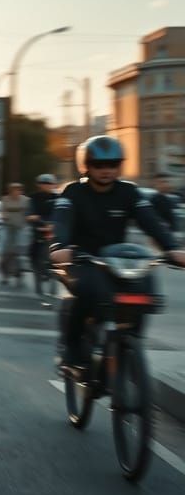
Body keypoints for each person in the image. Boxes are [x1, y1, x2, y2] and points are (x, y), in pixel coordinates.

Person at [49, 136, 185, 377]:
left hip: (118, 261)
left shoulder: (129, 192)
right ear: (86, 166)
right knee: (86, 291)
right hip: (82, 258)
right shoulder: (73, 192)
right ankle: (71, 350)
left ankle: (131, 340)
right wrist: (60, 245)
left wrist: (172, 248)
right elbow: (62, 221)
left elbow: (151, 221)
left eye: (112, 164)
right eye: (99, 165)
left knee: (144, 287)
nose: (106, 170)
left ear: (119, 166)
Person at [27, 173, 59, 296]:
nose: (46, 186)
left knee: (60, 252)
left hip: (53, 229)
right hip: (38, 228)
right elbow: (29, 212)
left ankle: (54, 275)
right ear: (39, 185)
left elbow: (62, 212)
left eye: (49, 183)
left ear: (54, 185)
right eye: (43, 183)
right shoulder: (33, 198)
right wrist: (31, 217)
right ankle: (37, 275)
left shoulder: (58, 198)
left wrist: (55, 223)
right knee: (32, 253)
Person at [0, 182, 29, 286]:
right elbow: (2, 212)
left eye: (18, 190)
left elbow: (29, 213)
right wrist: (4, 216)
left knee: (19, 252)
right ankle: (5, 276)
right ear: (10, 191)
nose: (16, 192)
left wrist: (28, 218)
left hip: (21, 228)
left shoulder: (25, 200)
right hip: (8, 228)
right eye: (14, 190)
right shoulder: (5, 200)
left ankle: (19, 274)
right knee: (5, 252)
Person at [152, 172, 181, 237]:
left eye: (168, 182)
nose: (166, 185)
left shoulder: (170, 199)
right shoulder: (155, 200)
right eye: (163, 182)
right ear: (156, 184)